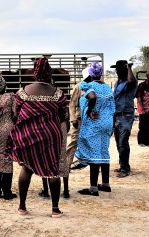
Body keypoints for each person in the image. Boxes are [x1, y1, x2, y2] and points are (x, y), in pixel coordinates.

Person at [7, 58, 69, 218]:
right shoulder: (58, 93)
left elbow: (15, 114)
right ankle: (55, 209)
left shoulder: (22, 92)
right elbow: (63, 115)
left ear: (35, 72)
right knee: (53, 171)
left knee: (26, 168)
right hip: (51, 136)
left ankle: (22, 207)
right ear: (49, 72)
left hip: (28, 135)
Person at [76, 62, 116, 197]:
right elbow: (112, 107)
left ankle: (93, 188)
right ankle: (105, 184)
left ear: (90, 74)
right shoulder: (107, 87)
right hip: (107, 122)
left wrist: (89, 111)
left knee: (94, 152)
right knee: (103, 150)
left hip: (95, 123)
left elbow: (92, 97)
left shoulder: (88, 86)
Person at [111, 60, 137, 178]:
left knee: (123, 142)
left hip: (126, 115)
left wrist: (129, 68)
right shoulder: (118, 82)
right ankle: (123, 165)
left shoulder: (131, 81)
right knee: (119, 142)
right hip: (117, 114)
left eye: (119, 69)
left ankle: (125, 168)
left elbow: (131, 80)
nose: (117, 71)